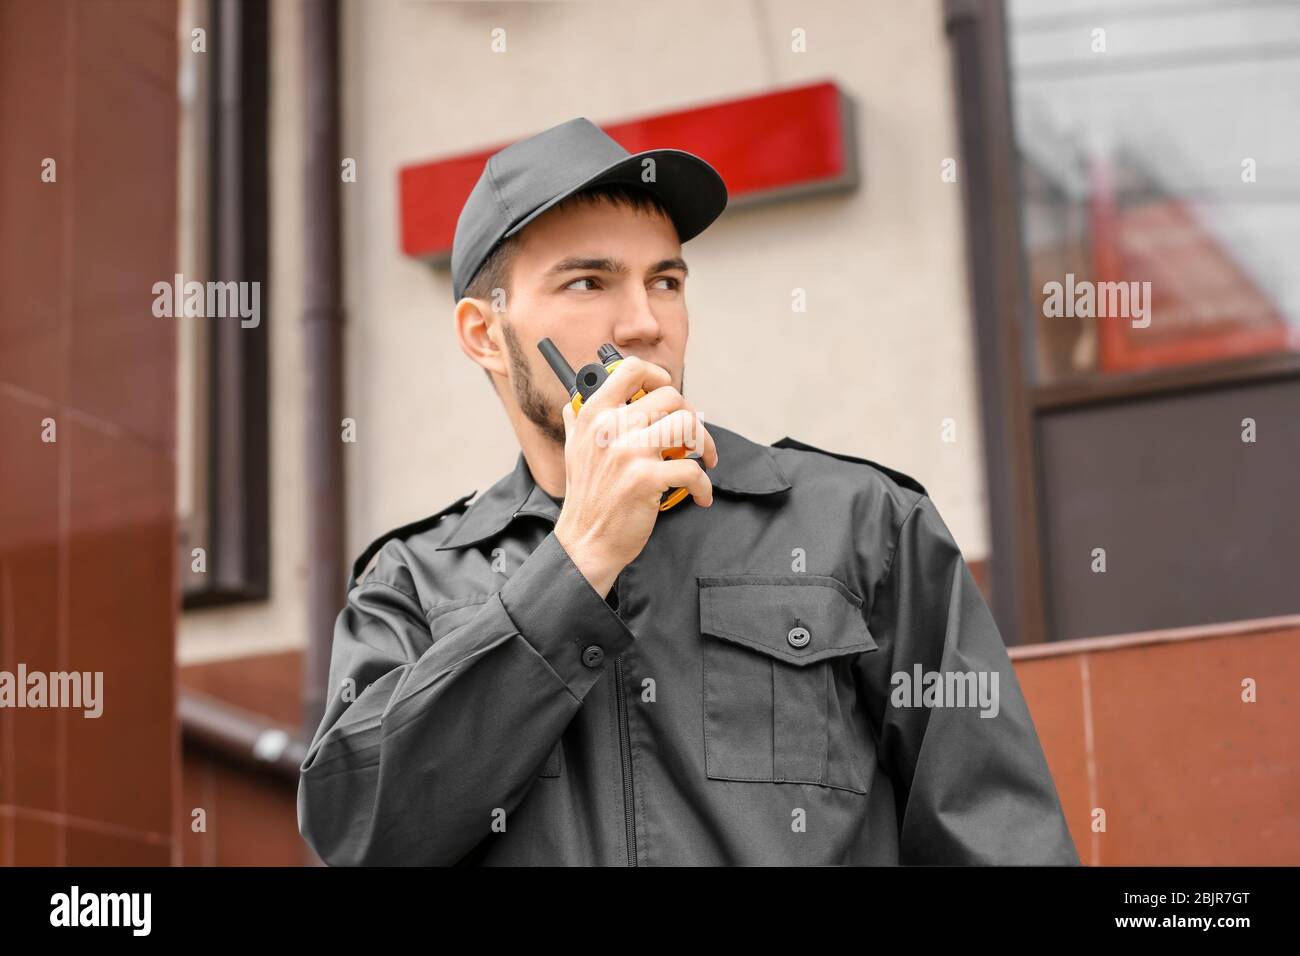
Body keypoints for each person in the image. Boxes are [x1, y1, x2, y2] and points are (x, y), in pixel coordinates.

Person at [296, 117, 1080, 866]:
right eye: (588, 282)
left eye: (665, 280)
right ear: (482, 333)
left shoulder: (861, 523)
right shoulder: (411, 583)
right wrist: (577, 562)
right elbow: (361, 831)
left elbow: (1001, 839)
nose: (643, 322)